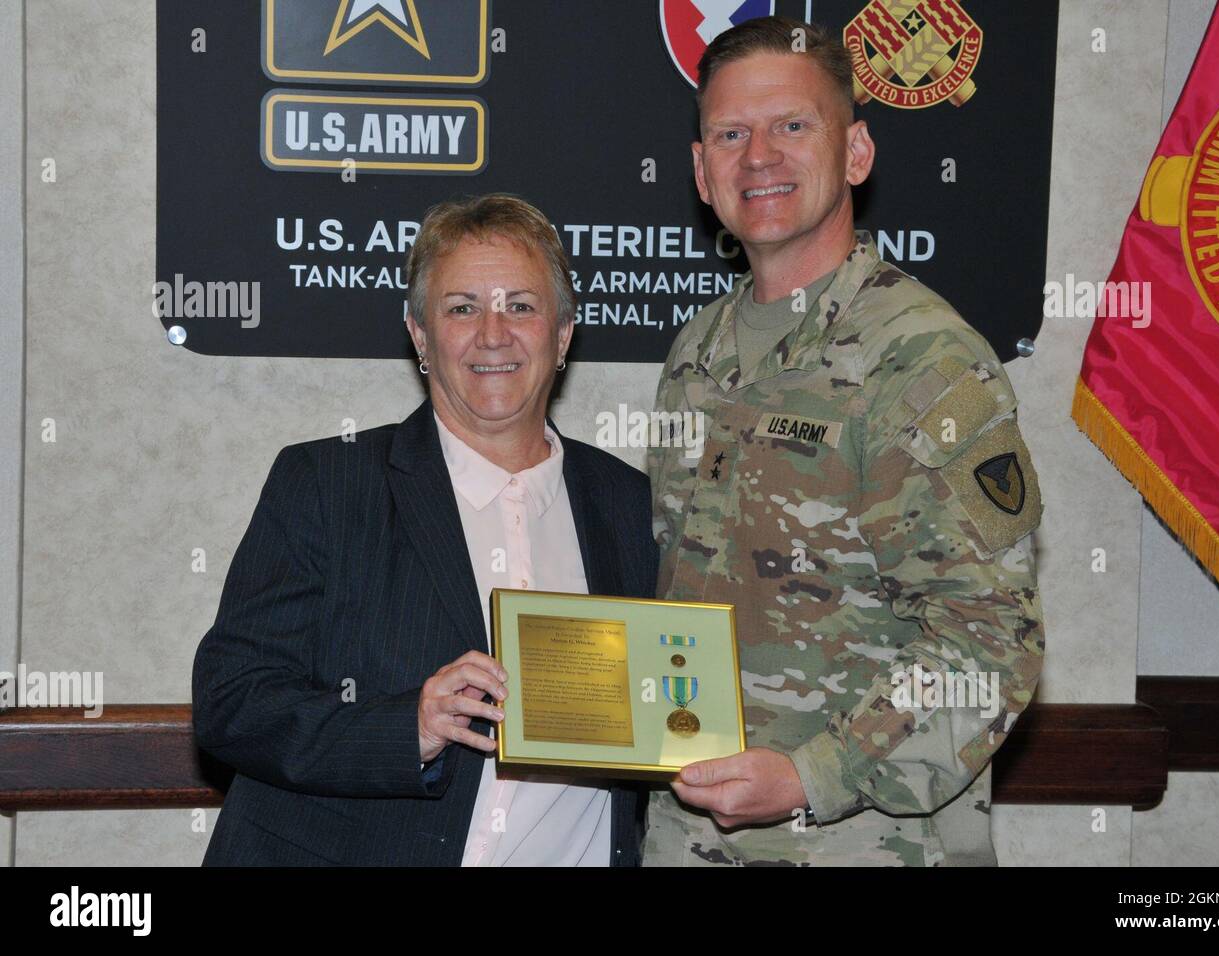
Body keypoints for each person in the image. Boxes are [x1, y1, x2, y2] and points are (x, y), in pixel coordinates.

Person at [643, 16, 1045, 866]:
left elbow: (989, 642)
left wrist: (812, 773)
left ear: (856, 154)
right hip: (691, 841)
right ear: (700, 171)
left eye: (793, 125)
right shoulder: (696, 355)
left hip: (863, 841)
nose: (759, 156)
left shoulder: (923, 359)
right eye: (730, 133)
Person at [193, 193, 655, 866]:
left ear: (562, 336)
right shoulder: (327, 483)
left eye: (520, 306)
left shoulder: (631, 506)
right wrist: (406, 727)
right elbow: (231, 703)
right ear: (419, 336)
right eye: (462, 307)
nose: (492, 334)